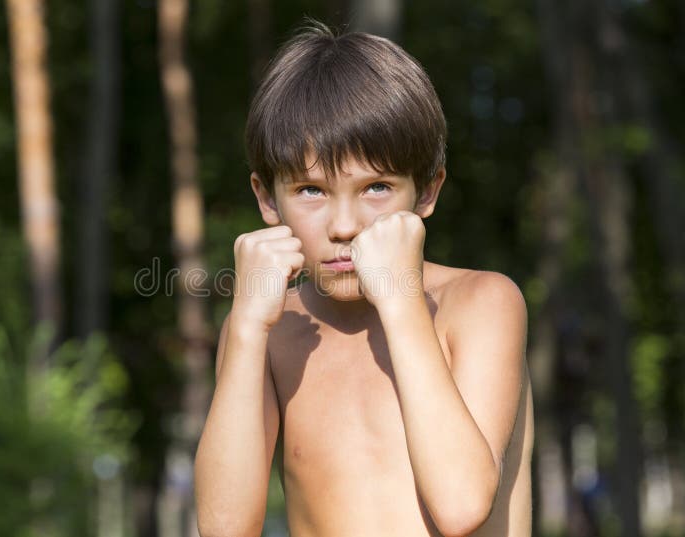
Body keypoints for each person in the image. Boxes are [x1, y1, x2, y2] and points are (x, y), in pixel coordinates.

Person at [194, 19, 534, 537]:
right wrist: (243, 329)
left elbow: (463, 506)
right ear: (267, 198)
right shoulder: (269, 332)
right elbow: (223, 528)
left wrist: (400, 302)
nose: (345, 226)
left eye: (376, 187)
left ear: (426, 192)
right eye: (311, 191)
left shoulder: (480, 303)